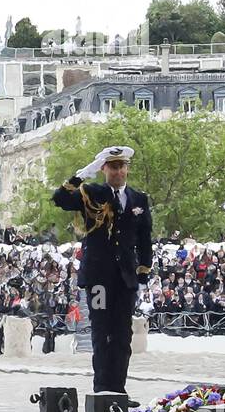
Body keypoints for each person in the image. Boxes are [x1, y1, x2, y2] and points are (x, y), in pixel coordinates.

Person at [52, 144, 152, 392]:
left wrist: (143, 272)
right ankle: (102, 389)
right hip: (98, 277)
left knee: (122, 336)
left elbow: (144, 238)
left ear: (127, 169)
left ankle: (118, 389)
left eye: (122, 166)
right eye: (112, 167)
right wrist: (82, 174)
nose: (118, 172)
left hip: (125, 278)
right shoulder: (92, 193)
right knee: (101, 332)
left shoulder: (138, 199)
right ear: (104, 169)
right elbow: (60, 199)